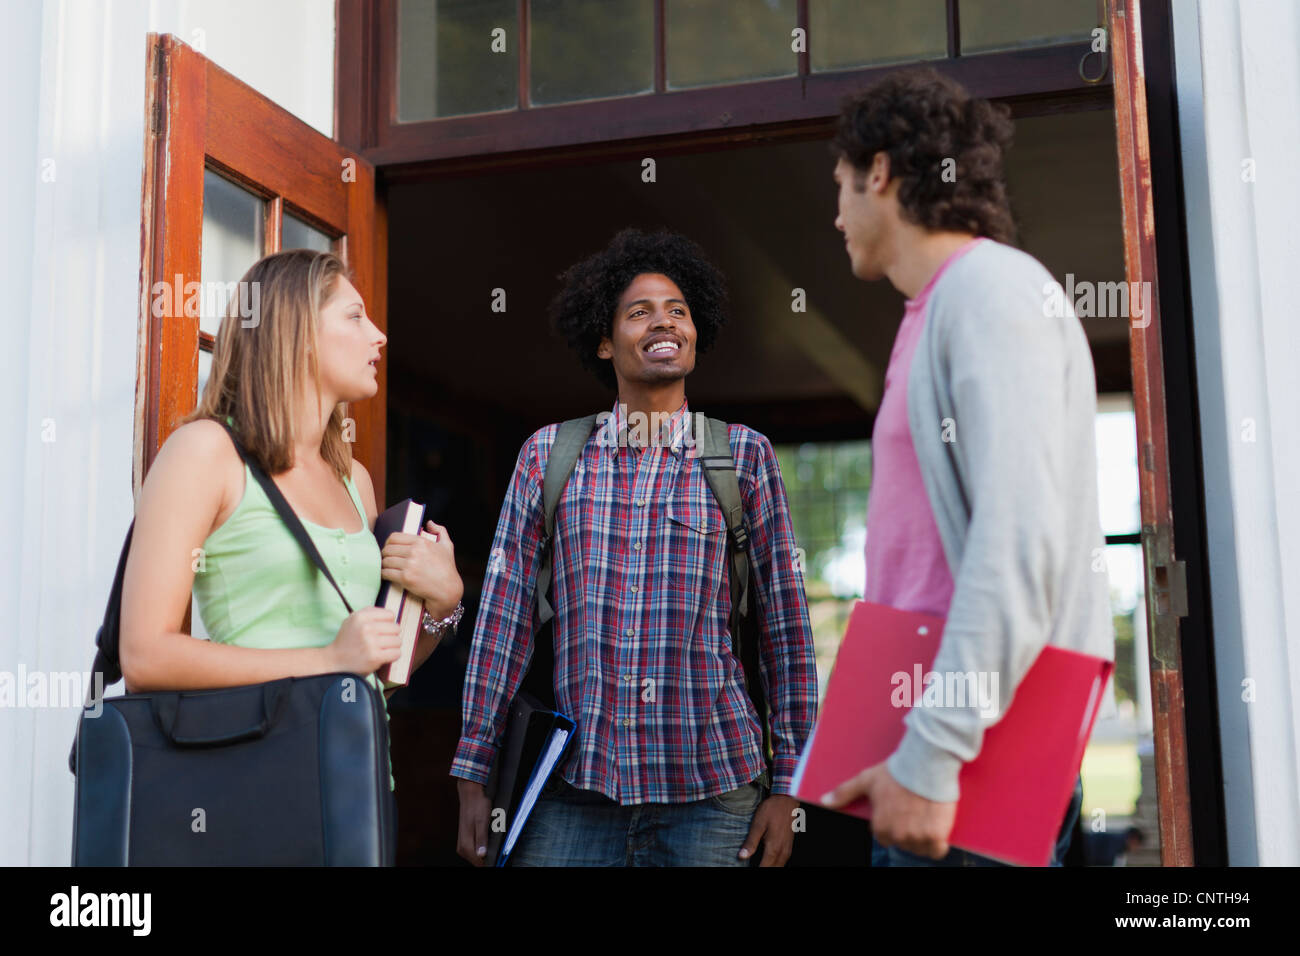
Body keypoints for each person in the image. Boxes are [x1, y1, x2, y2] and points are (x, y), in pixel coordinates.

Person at [818, 69, 1114, 866]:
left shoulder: (989, 292)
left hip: (970, 760)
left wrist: (934, 752)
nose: (836, 212)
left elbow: (1018, 545)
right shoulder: (940, 306)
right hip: (934, 743)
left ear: (879, 171)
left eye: (842, 186)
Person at [451, 228, 818, 867]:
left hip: (713, 797)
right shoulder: (548, 455)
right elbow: (503, 623)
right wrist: (473, 771)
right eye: (639, 311)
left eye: (678, 310)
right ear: (604, 340)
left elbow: (785, 631)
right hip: (574, 792)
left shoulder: (742, 457)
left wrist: (790, 788)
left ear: (696, 338)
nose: (663, 321)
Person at [119, 249, 465, 817]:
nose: (378, 336)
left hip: (358, 786)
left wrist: (444, 603)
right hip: (253, 784)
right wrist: (328, 657)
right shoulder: (206, 451)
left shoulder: (354, 479)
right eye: (354, 317)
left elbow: (376, 672)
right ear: (298, 330)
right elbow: (144, 655)